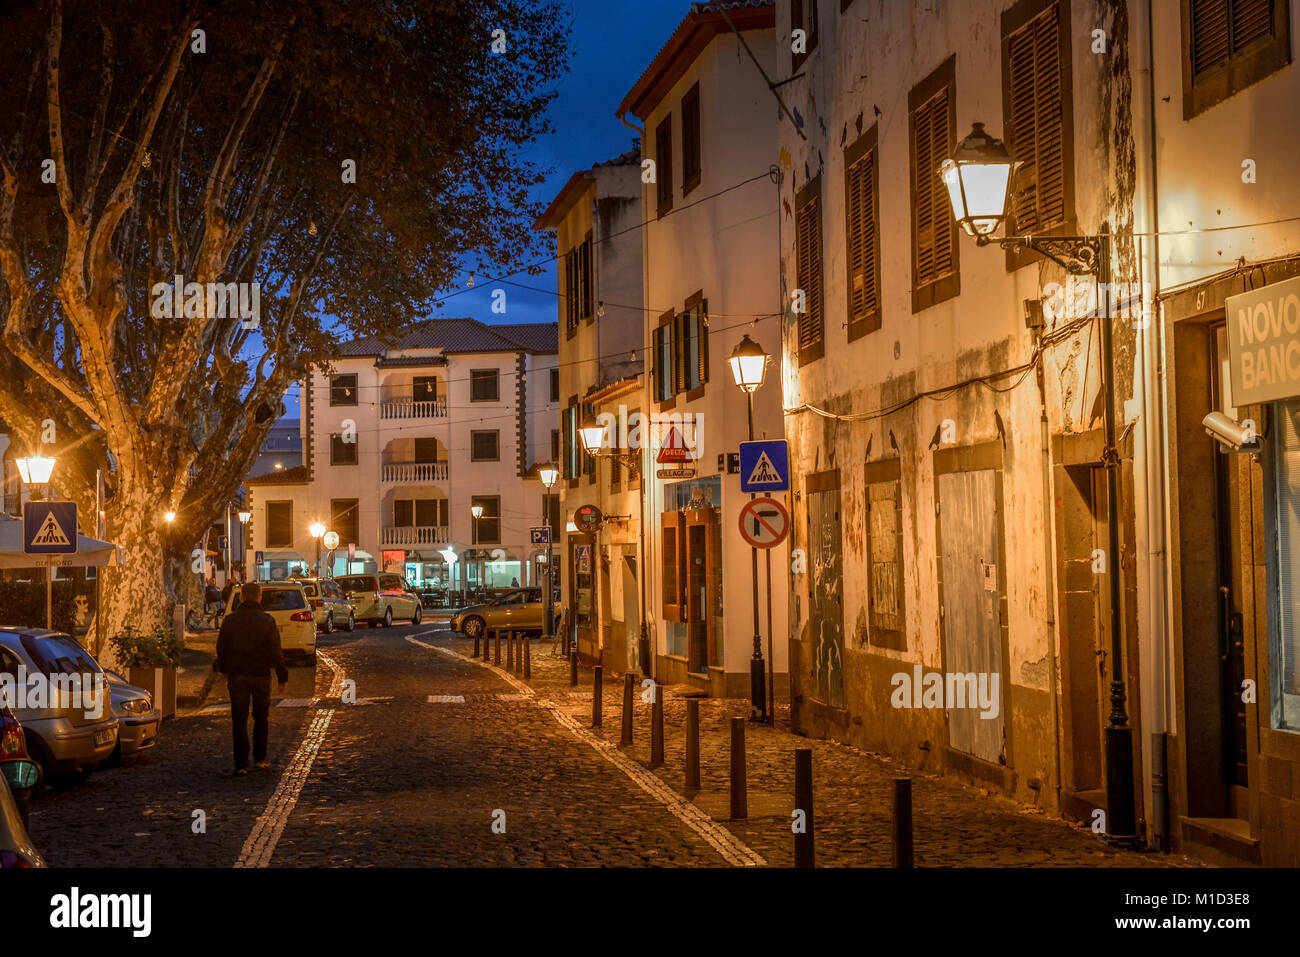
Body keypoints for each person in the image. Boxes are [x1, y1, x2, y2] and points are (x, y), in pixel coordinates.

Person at [217, 582, 289, 776]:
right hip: (260, 675)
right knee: (261, 718)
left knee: (239, 720)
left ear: (241, 598)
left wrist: (223, 670)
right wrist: (282, 675)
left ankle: (240, 764)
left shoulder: (231, 621)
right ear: (259, 597)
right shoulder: (267, 621)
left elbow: (222, 648)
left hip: (238, 675)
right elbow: (275, 650)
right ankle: (260, 758)